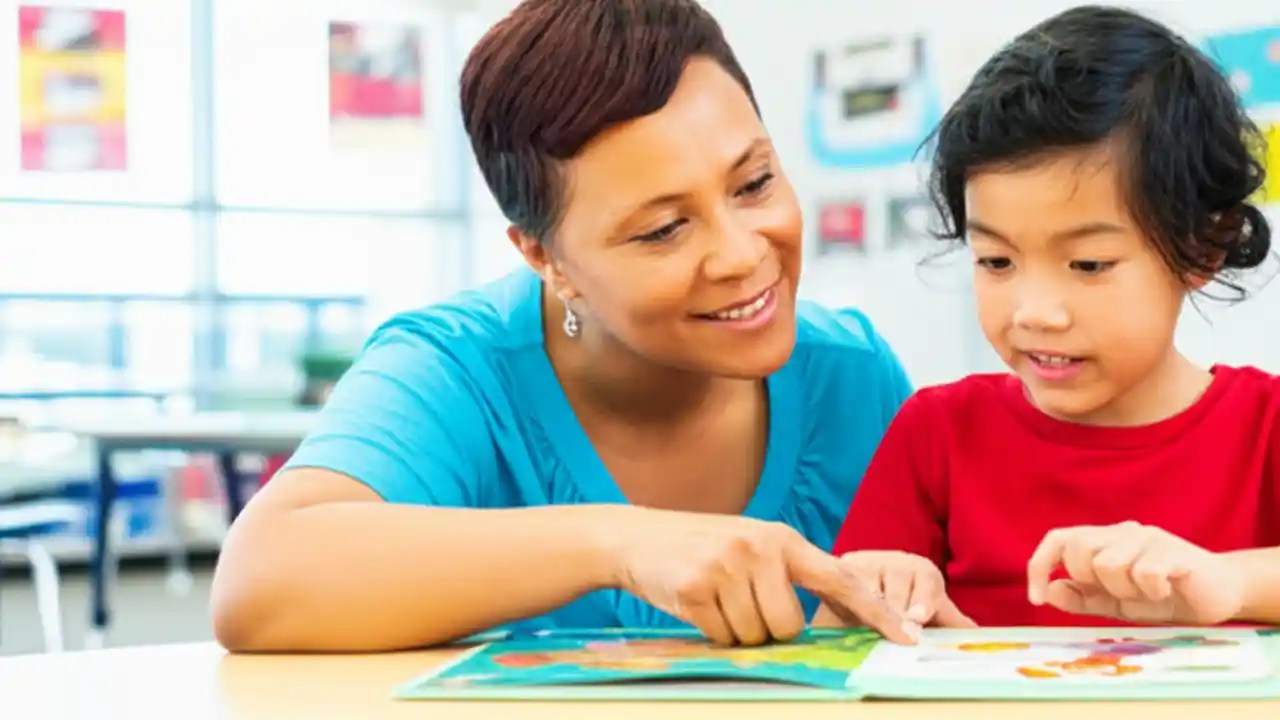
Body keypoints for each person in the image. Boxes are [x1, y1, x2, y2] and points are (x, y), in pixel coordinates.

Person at [210, 0, 931, 653]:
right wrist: (623, 541)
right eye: (663, 230)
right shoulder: (456, 371)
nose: (744, 255)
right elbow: (261, 581)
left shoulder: (853, 377)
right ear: (545, 258)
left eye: (755, 184)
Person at [818, 5, 1280, 631]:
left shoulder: (1264, 429)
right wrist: (870, 593)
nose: (1034, 313)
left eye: (1088, 264)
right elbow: (836, 638)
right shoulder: (938, 433)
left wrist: (1234, 582)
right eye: (996, 260)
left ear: (1203, 245)